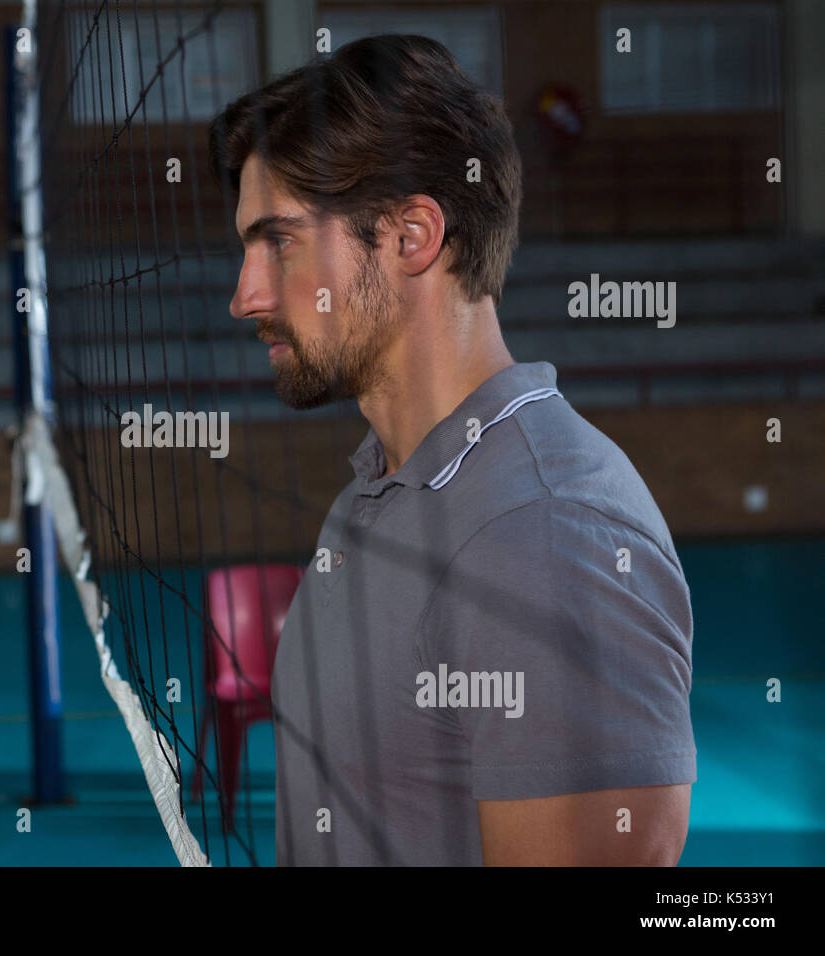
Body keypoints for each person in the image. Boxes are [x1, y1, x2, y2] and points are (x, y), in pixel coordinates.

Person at [210, 35, 696, 865]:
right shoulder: (378, 487)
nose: (244, 296)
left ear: (411, 237)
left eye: (280, 242)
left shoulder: (546, 533)